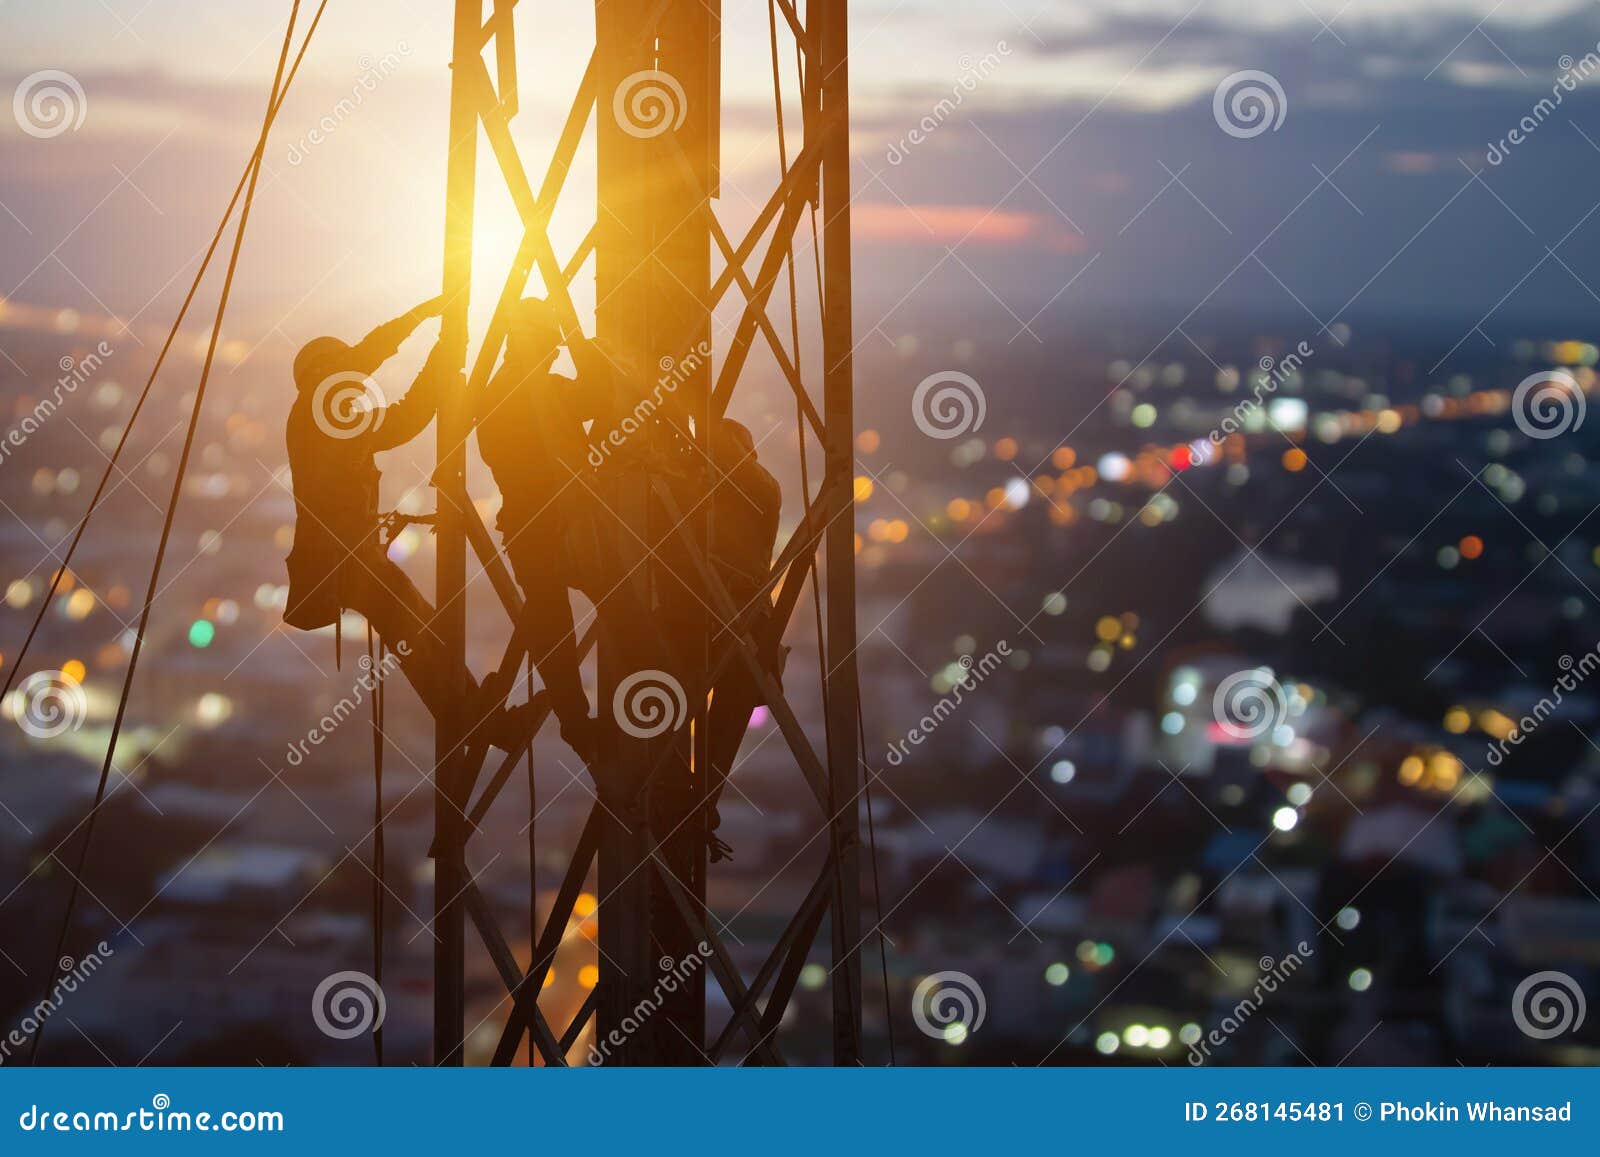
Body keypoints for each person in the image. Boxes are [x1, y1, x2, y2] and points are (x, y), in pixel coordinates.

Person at [284, 297, 521, 751]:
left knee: (420, 632)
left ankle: (482, 721)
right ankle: (481, 722)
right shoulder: (317, 411)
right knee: (418, 632)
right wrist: (420, 319)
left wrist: (445, 350)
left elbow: (410, 416)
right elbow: (364, 364)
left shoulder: (341, 425)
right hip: (343, 561)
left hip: (347, 561)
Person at [475, 299, 598, 759]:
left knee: (550, 620)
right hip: (569, 526)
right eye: (550, 345)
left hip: (534, 528)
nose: (554, 354)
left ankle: (576, 721)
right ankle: (585, 722)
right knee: (619, 604)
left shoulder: (498, 396)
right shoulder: (541, 393)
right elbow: (601, 396)